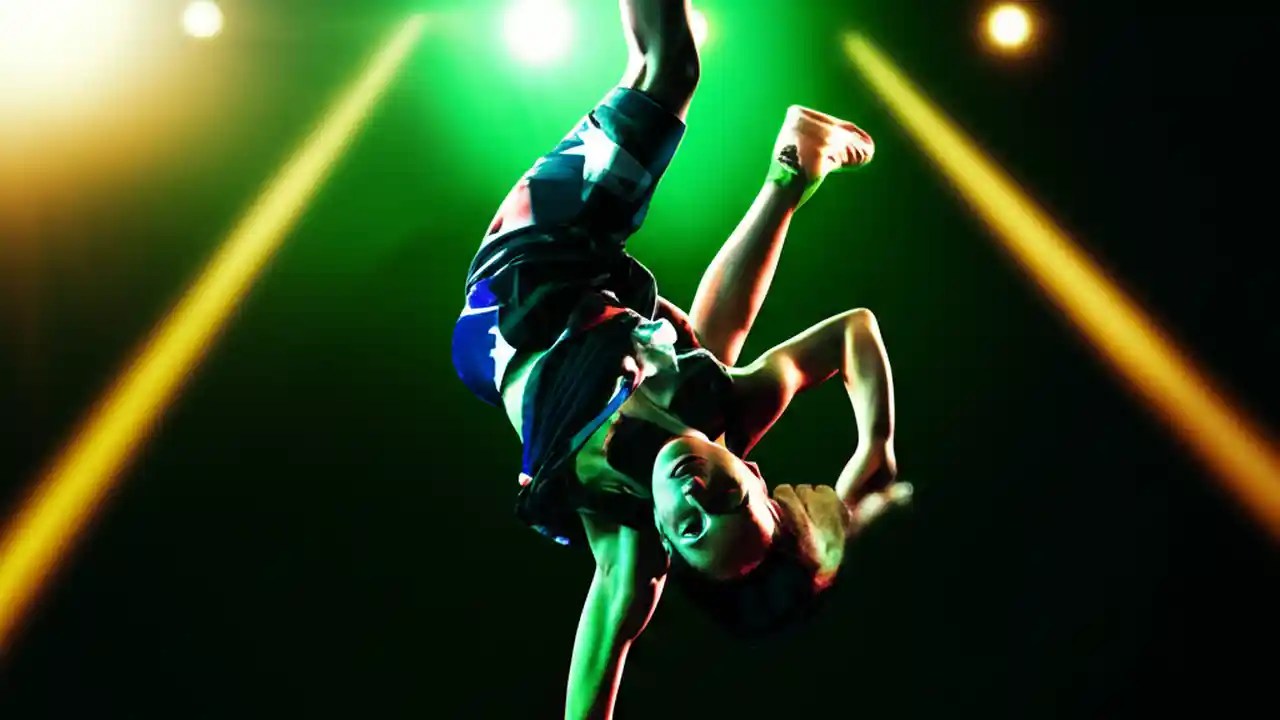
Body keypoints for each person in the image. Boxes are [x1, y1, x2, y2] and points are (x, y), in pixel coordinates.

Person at [450, 1, 911, 717]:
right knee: (708, 372)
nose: (695, 494)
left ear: (667, 539)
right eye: (727, 494)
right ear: (751, 472)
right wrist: (875, 444)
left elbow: (590, 700)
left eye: (691, 523)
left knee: (670, 69)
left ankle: (793, 170)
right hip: (588, 279)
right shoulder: (727, 410)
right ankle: (793, 170)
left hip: (530, 260)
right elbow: (854, 330)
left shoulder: (628, 555)